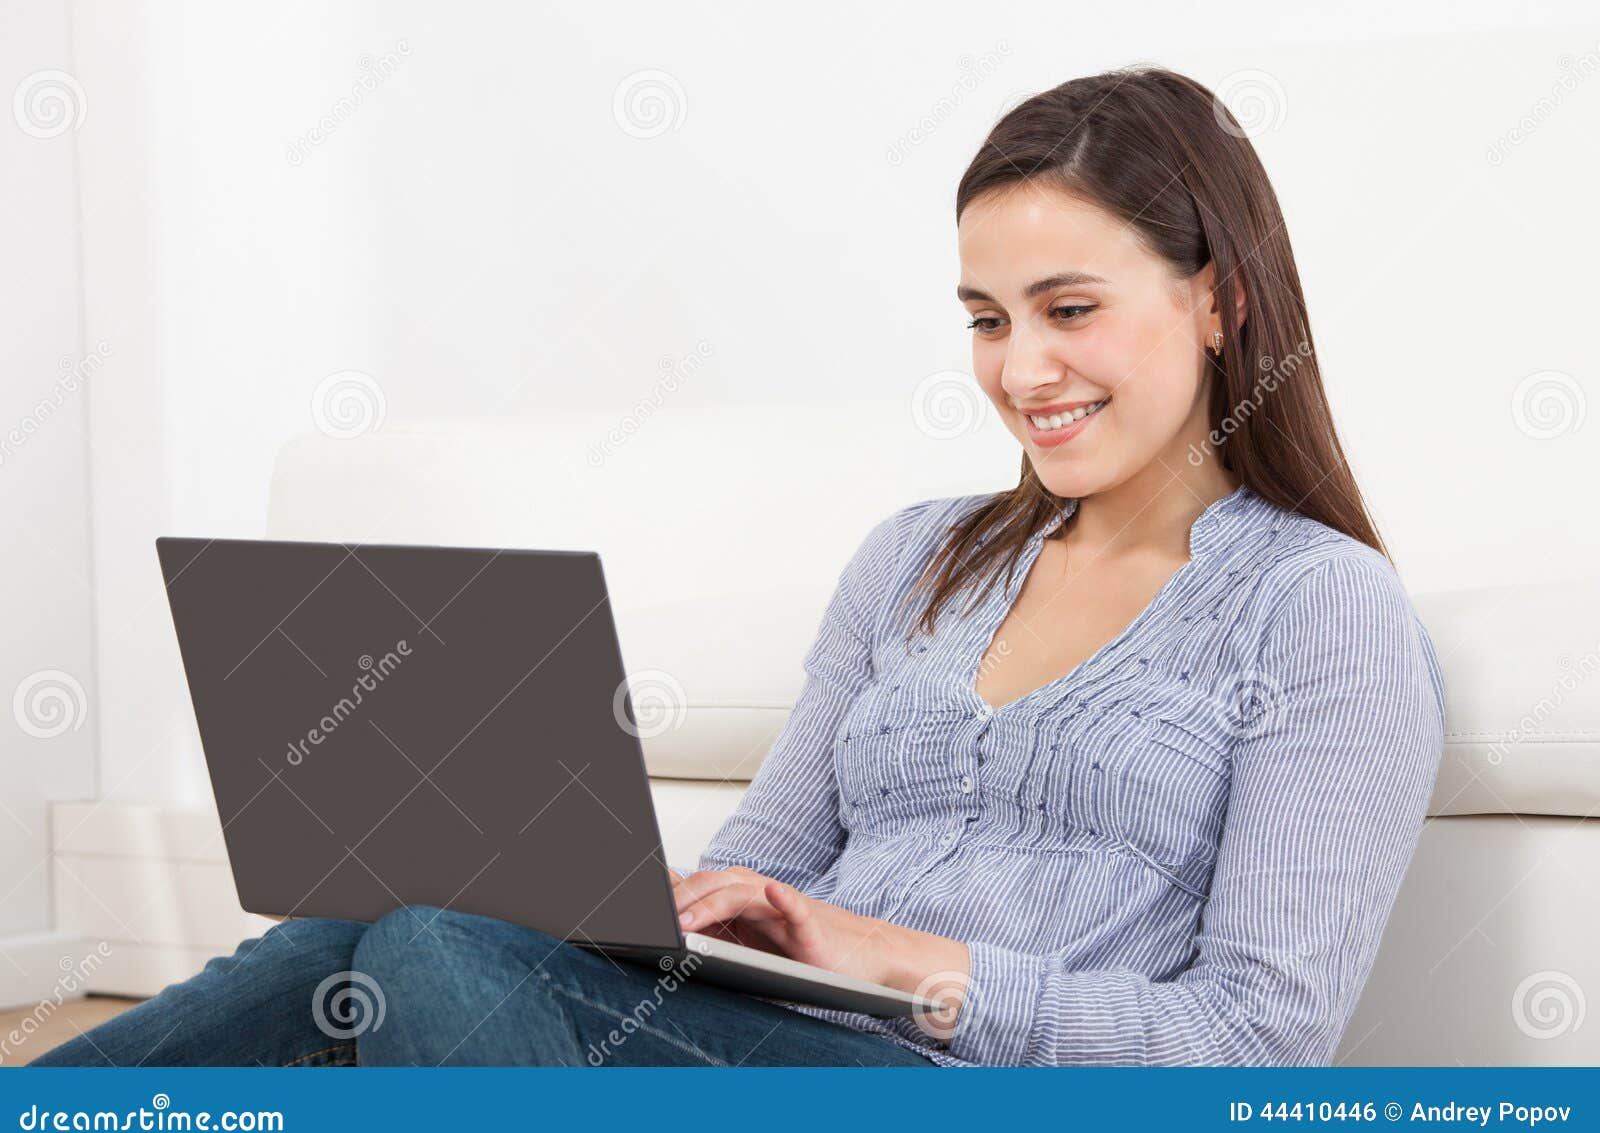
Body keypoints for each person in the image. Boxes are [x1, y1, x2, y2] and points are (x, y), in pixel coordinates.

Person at [33, 63, 1444, 1068]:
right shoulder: (920, 559)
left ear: (1221, 297)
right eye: (986, 318)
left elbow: (1260, 1045)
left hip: (966, 1091)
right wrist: (591, 896)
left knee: (430, 959)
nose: (1022, 369)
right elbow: (756, 874)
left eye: (1070, 308)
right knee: (378, 914)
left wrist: (910, 963)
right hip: (754, 1053)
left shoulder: (1319, 607)